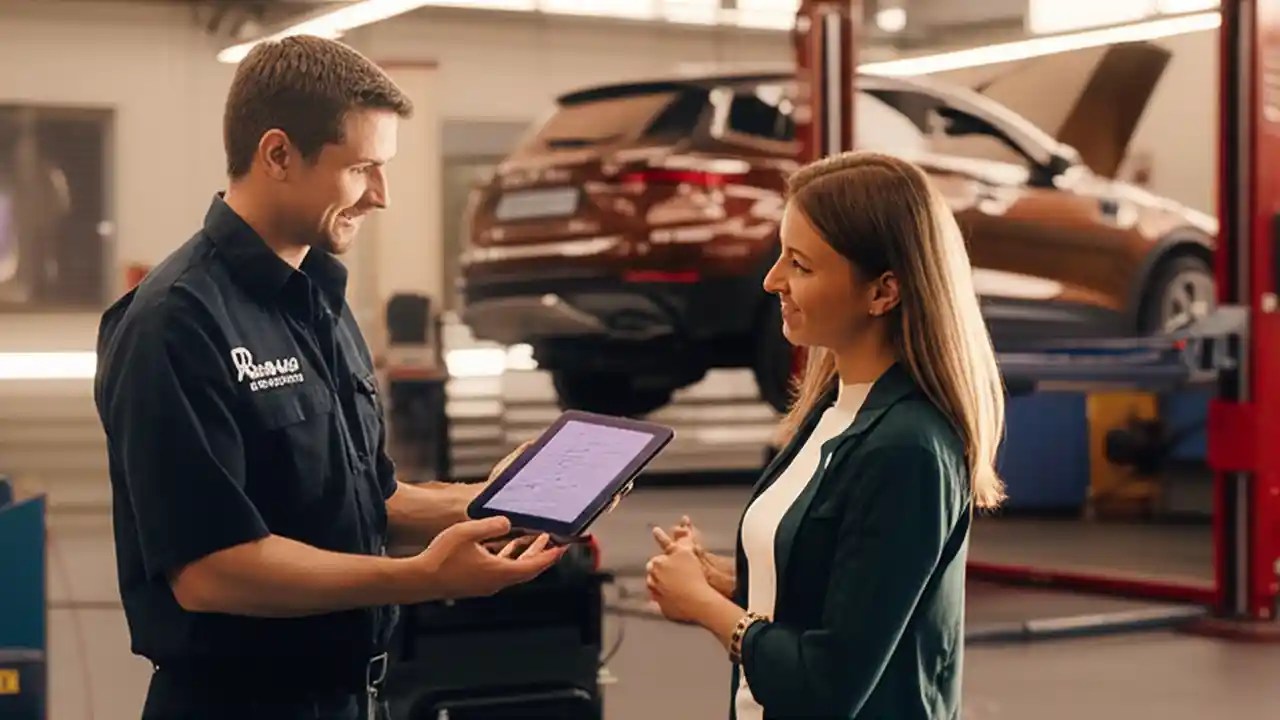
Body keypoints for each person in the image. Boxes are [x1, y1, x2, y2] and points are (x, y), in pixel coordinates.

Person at [93, 35, 564, 720]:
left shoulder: (319, 301)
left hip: (353, 698)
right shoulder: (175, 322)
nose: (382, 196)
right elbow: (211, 570)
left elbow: (368, 499)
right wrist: (418, 579)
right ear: (278, 154)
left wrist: (494, 500)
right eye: (363, 169)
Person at [644, 150, 1007, 719]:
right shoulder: (834, 410)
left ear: (883, 292)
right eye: (779, 257)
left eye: (801, 266)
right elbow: (838, 581)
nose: (772, 282)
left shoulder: (908, 450)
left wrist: (703, 606)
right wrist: (728, 577)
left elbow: (829, 684)